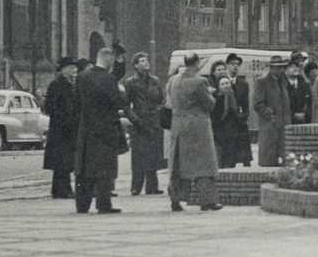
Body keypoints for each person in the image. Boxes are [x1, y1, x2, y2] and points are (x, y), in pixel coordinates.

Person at [73, 45, 128, 214]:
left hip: (86, 128)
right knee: (104, 168)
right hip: (105, 128)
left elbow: (77, 103)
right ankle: (103, 204)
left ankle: (82, 204)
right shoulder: (109, 79)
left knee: (84, 167)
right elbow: (116, 102)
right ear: (109, 59)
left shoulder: (81, 77)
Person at [166, 52, 222, 212]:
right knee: (203, 164)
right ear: (197, 63)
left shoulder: (173, 80)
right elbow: (209, 104)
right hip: (198, 125)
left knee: (178, 164)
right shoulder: (200, 81)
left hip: (178, 124)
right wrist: (212, 93)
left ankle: (176, 199)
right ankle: (207, 200)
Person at [121, 52, 166, 196]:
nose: (146, 63)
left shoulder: (155, 81)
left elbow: (161, 100)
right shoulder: (130, 82)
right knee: (138, 156)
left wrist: (157, 113)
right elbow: (126, 105)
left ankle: (152, 186)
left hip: (153, 121)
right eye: (142, 61)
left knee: (153, 154)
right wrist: (135, 120)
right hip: (139, 122)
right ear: (135, 65)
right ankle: (136, 186)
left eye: (146, 60)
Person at [41, 57, 79, 199]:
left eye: (74, 67)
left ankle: (60, 189)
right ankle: (62, 190)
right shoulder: (56, 85)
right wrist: (64, 119)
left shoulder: (71, 84)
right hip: (61, 129)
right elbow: (50, 107)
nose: (74, 70)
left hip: (68, 128)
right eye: (70, 67)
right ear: (62, 70)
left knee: (65, 161)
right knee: (62, 161)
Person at [213, 54, 252, 168]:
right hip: (223, 127)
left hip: (238, 124)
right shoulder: (219, 82)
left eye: (237, 64)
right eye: (232, 64)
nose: (235, 66)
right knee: (226, 157)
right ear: (227, 66)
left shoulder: (243, 84)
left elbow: (245, 105)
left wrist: (243, 116)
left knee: (243, 157)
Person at [254, 55, 290, 166]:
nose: (280, 70)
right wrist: (270, 115)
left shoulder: (283, 82)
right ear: (271, 68)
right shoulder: (262, 82)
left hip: (283, 127)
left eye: (281, 67)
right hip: (269, 128)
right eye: (277, 67)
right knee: (269, 160)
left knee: (285, 160)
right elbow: (258, 104)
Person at [285, 58, 312, 126]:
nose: (295, 68)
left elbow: (310, 103)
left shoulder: (305, 86)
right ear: (285, 71)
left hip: (305, 122)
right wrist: (294, 115)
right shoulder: (283, 86)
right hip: (289, 123)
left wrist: (305, 113)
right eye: (291, 67)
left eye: (296, 66)